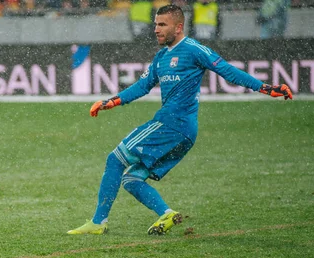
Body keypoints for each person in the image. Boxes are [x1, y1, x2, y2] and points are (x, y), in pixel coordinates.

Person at [67, 4, 293, 236]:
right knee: (132, 179)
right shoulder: (161, 56)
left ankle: (98, 222)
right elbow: (143, 86)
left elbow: (227, 71)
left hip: (172, 125)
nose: (156, 29)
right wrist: (112, 101)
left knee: (115, 159)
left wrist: (265, 88)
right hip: (183, 132)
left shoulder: (193, 49)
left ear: (178, 27)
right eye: (156, 24)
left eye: (162, 25)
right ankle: (166, 214)